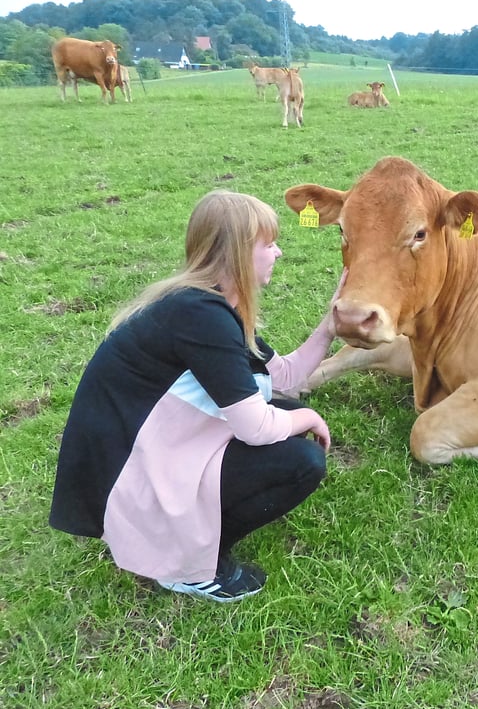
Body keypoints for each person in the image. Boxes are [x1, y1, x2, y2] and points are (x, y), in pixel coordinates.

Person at [50, 189, 344, 603]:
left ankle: (190, 527)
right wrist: (310, 418)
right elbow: (256, 427)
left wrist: (330, 326)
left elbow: (285, 378)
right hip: (129, 475)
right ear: (240, 253)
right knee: (302, 461)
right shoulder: (201, 317)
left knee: (288, 414)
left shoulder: (208, 305)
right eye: (269, 244)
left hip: (152, 446)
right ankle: (189, 568)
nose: (278, 253)